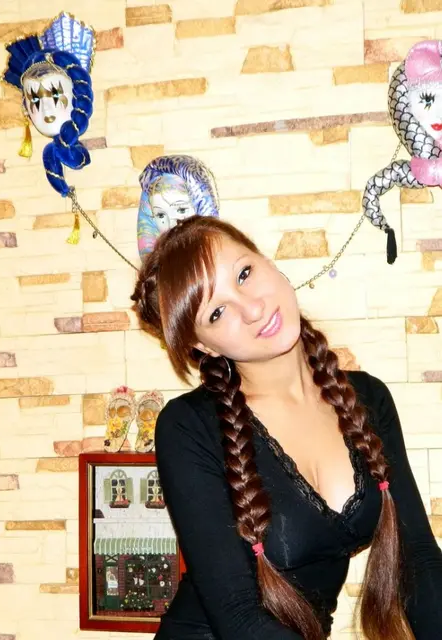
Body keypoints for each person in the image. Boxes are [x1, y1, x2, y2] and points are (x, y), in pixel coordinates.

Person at [131, 216, 442, 640]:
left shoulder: (368, 399)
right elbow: (239, 617)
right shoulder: (188, 427)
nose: (253, 309)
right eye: (217, 312)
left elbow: (417, 560)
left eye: (244, 273)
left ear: (266, 260)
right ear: (203, 345)